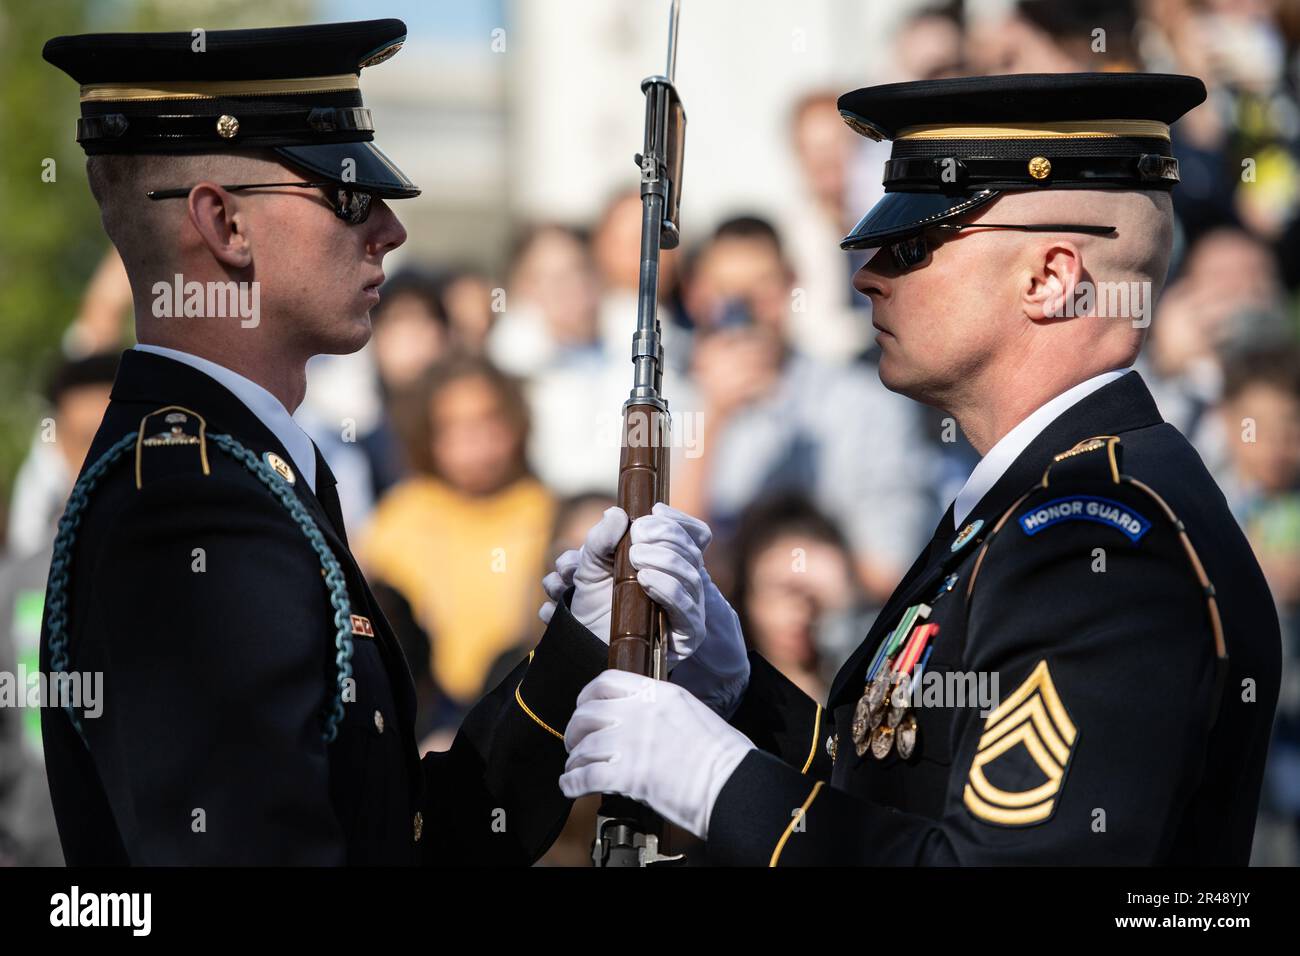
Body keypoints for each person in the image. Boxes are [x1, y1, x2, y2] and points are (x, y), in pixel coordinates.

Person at [555, 72, 1281, 864]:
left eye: (913, 246)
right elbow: (902, 783)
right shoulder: (1034, 499)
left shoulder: (1095, 542)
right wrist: (739, 692)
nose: (867, 274)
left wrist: (719, 781)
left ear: (1050, 279)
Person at [36, 19, 702, 866]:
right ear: (224, 225)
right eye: (346, 196)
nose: (389, 229)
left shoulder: (246, 468)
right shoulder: (193, 500)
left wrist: (577, 645)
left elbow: (396, 831)